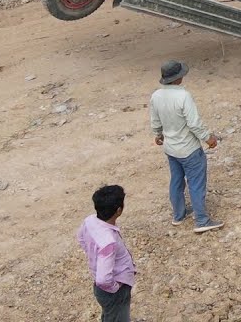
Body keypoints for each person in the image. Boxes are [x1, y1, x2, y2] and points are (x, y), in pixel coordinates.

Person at [149, 60, 223, 233]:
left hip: (170, 148)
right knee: (196, 183)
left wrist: (158, 134)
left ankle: (178, 215)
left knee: (176, 180)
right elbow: (194, 123)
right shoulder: (183, 96)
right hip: (188, 149)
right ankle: (202, 221)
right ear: (179, 78)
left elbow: (155, 120)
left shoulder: (156, 96)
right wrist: (208, 138)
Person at [76, 185, 136, 322]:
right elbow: (103, 280)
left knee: (110, 316)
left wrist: (93, 254)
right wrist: (116, 287)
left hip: (102, 290)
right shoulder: (108, 242)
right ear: (118, 210)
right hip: (114, 291)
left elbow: (80, 237)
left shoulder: (89, 221)